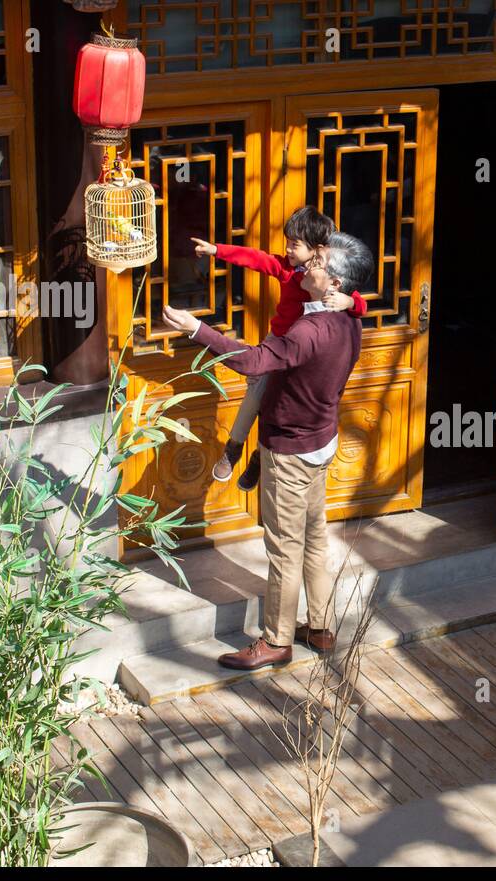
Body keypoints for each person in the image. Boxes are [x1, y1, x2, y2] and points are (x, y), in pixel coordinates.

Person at [160, 233, 374, 669]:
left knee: (283, 547)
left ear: (332, 282)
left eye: (316, 261)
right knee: (314, 538)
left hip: (291, 451)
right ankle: (320, 625)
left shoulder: (311, 331)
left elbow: (253, 361)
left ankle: (276, 640)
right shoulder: (349, 317)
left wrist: (196, 330)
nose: (306, 265)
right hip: (321, 441)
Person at [193, 206, 368, 490]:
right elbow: (256, 259)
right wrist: (216, 250)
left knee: (282, 407)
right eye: (287, 242)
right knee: (257, 395)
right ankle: (233, 449)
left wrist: (349, 303)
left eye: (294, 244)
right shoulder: (288, 270)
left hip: (307, 355)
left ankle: (259, 458)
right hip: (279, 343)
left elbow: (360, 302)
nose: (287, 249)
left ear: (318, 250)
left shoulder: (332, 278)